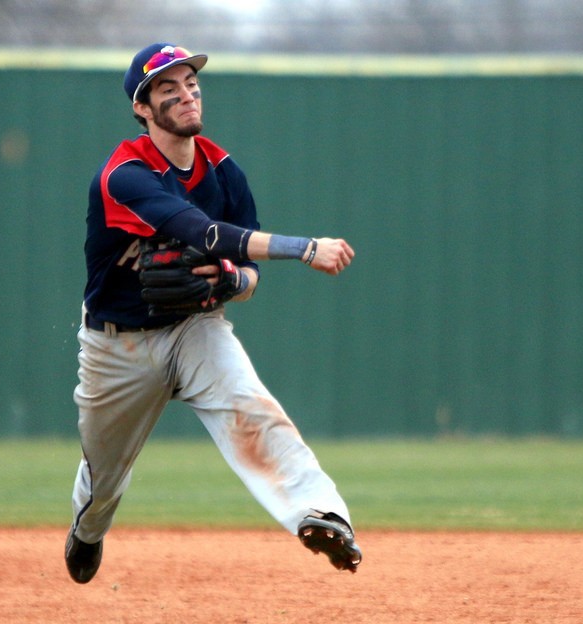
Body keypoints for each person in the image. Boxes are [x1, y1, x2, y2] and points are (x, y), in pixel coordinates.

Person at [65, 43, 361, 584]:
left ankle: (322, 514)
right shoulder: (124, 174)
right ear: (141, 107)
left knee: (252, 406)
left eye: (191, 83)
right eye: (167, 88)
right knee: (104, 476)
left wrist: (232, 280)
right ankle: (88, 531)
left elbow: (247, 276)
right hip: (117, 345)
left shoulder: (225, 174)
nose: (186, 93)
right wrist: (303, 247)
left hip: (192, 329)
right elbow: (205, 233)